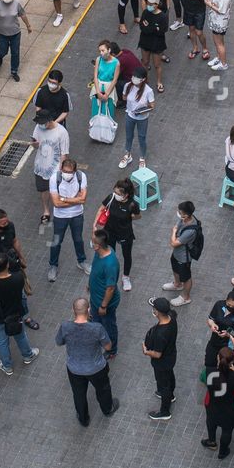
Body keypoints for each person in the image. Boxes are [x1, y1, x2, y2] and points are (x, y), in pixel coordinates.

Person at [56, 297, 119, 425]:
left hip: (74, 369)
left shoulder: (65, 327)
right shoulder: (97, 328)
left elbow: (59, 342)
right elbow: (108, 347)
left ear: (73, 310)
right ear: (89, 310)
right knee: (103, 389)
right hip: (96, 368)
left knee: (78, 393)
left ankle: (83, 418)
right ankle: (107, 409)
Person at [0, 252, 39, 374]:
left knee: (2, 341)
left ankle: (7, 366)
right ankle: (27, 355)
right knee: (20, 335)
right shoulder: (18, 278)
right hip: (15, 314)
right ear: (7, 265)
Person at [46, 155, 90, 281]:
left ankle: (81, 261)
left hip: (77, 215)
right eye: (64, 171)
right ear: (61, 169)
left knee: (78, 239)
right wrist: (76, 199)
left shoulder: (81, 177)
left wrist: (64, 199)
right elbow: (56, 203)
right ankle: (53, 265)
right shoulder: (55, 178)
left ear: (75, 172)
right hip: (60, 217)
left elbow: (83, 200)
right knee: (56, 241)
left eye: (70, 172)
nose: (66, 174)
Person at [201, 347, 234, 458]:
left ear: (218, 358)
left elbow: (203, 380)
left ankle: (211, 442)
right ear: (232, 362)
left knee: (211, 422)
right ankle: (223, 452)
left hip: (212, 403)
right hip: (230, 408)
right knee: (227, 430)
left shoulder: (208, 371)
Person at [99, 178, 141, 290]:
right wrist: (95, 224)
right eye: (115, 191)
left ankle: (126, 277)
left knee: (127, 255)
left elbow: (138, 215)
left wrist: (131, 216)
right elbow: (101, 209)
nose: (115, 194)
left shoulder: (132, 204)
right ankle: (110, 275)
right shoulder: (111, 198)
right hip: (110, 231)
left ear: (126, 195)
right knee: (111, 254)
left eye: (118, 193)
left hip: (125, 233)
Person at [31, 108, 70, 224]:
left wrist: (61, 170)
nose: (40, 125)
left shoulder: (62, 132)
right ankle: (46, 211)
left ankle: (60, 210)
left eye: (42, 123)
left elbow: (64, 153)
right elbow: (35, 146)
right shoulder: (38, 127)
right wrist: (35, 145)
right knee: (43, 190)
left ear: (49, 120)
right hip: (41, 165)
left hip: (55, 168)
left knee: (57, 190)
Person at [144, 296, 180, 419]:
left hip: (162, 362)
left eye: (154, 308)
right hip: (171, 356)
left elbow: (157, 354)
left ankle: (165, 412)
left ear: (157, 312)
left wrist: (146, 351)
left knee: (164, 384)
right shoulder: (172, 318)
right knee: (170, 375)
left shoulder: (160, 333)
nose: (153, 310)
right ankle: (171, 395)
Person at [0, 0, 31, 79]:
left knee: (15, 52)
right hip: (2, 34)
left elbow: (23, 14)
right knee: (3, 51)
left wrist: (28, 26)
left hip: (15, 33)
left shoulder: (16, 4)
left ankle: (14, 71)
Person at [120, 66, 156, 169]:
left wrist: (141, 110)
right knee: (129, 136)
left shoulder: (148, 91)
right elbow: (124, 97)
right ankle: (127, 155)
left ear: (143, 79)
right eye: (133, 76)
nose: (134, 78)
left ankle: (142, 158)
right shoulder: (128, 86)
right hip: (130, 115)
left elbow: (152, 105)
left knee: (142, 137)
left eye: (137, 77)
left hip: (142, 118)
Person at [165, 201, 200, 305]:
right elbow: (178, 224)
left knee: (186, 277)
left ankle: (186, 297)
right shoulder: (183, 219)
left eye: (180, 212)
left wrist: (174, 231)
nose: (178, 214)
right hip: (176, 254)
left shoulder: (190, 231)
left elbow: (174, 243)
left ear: (186, 215)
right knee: (175, 268)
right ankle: (177, 284)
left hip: (184, 258)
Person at [137, 0, 169, 96]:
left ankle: (159, 82)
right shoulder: (146, 12)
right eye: (148, 3)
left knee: (157, 65)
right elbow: (142, 26)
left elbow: (162, 30)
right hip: (145, 41)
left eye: (151, 4)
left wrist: (149, 27)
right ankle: (145, 80)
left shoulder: (163, 16)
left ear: (156, 4)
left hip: (157, 44)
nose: (149, 5)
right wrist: (154, 28)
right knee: (145, 62)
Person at [207, 0, 234, 71]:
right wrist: (210, 0)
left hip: (220, 22)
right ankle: (218, 57)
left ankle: (223, 63)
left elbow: (221, 10)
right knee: (217, 41)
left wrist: (209, 4)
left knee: (219, 43)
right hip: (215, 19)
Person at [91, 39, 120, 127]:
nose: (101, 53)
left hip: (109, 88)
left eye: (103, 50)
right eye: (100, 51)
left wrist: (106, 94)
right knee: (96, 107)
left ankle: (108, 130)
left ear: (109, 50)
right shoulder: (98, 59)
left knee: (108, 109)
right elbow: (95, 76)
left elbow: (115, 80)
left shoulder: (116, 63)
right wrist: (98, 92)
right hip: (98, 87)